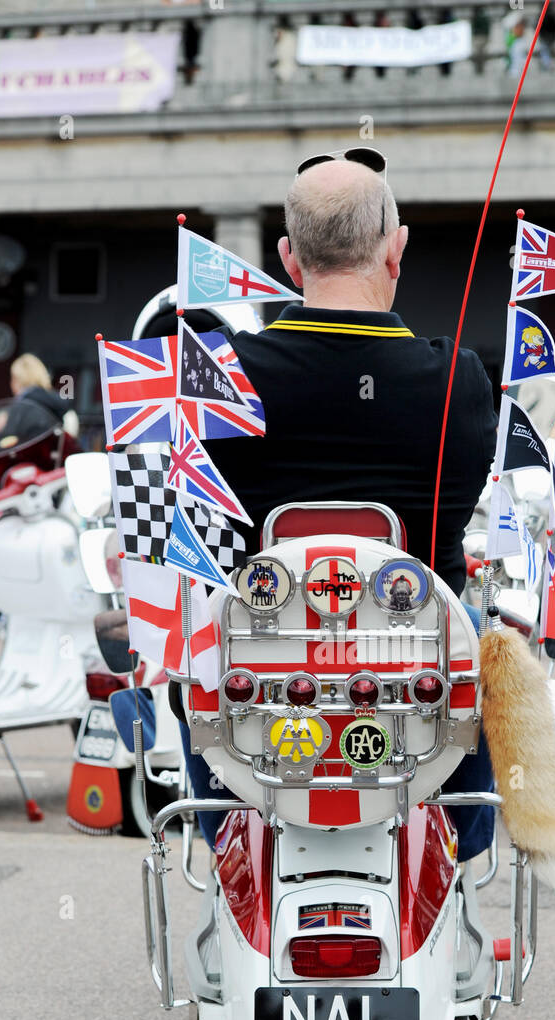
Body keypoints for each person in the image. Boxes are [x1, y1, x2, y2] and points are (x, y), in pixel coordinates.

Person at [187, 151, 499, 855]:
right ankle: (460, 845)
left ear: (288, 259)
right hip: (420, 685)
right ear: (396, 248)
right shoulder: (460, 379)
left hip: (258, 691)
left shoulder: (221, 377)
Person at [0, 354, 77, 446]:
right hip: (52, 456)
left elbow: (6, 442)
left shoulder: (21, 405)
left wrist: (0, 429)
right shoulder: (57, 400)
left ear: (16, 379)